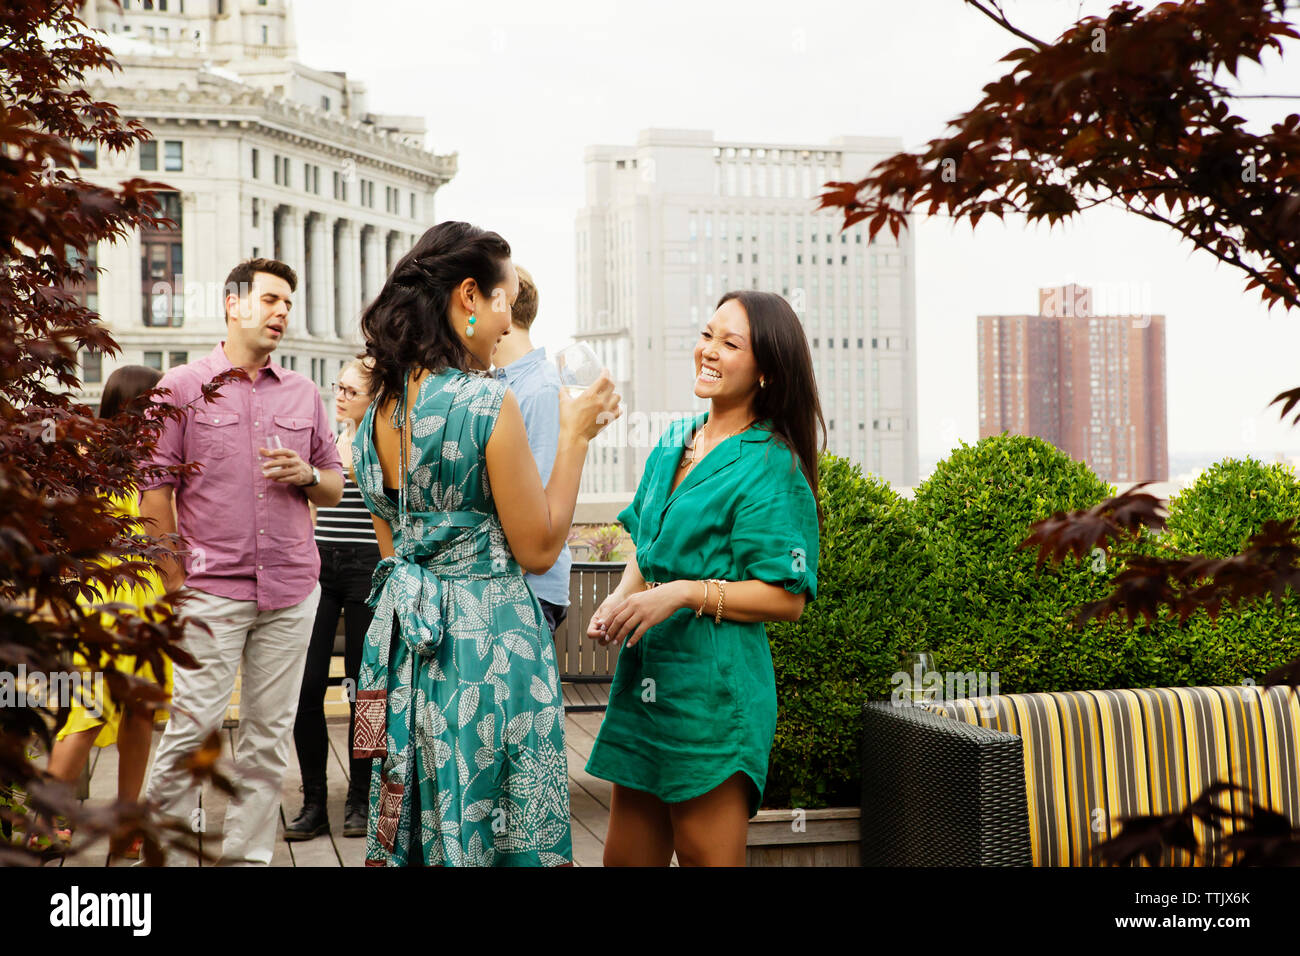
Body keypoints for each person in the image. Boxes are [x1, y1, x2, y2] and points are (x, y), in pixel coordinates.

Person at [352, 220, 619, 866]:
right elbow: (539, 547)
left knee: (421, 820)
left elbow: (396, 560)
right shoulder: (483, 404)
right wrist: (577, 435)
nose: (507, 323)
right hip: (491, 657)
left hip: (410, 661)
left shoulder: (376, 416)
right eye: (502, 300)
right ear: (467, 297)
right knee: (505, 835)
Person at [584, 290, 823, 867]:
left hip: (715, 695)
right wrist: (621, 598)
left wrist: (685, 593)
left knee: (705, 856)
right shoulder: (673, 442)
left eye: (730, 343)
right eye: (707, 334)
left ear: (766, 371)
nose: (708, 351)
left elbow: (785, 598)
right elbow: (648, 544)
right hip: (647, 682)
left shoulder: (772, 464)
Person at [138, 257, 344, 866]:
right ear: (233, 305)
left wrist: (307, 475)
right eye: (271, 300)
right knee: (190, 731)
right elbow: (154, 494)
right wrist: (174, 584)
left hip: (290, 591)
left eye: (288, 304)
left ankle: (248, 859)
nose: (282, 312)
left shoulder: (305, 393)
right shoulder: (180, 387)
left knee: (267, 739)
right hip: (210, 592)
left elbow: (333, 483)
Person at [40, 365, 173, 859]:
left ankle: (124, 824)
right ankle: (47, 820)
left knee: (138, 715)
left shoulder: (157, 460)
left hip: (145, 598)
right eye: (157, 403)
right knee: (89, 711)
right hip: (111, 600)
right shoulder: (98, 464)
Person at [286, 358, 379, 842]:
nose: (339, 395)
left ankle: (361, 799)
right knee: (306, 686)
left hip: (369, 567)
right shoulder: (323, 437)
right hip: (318, 564)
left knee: (367, 691)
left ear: (375, 395)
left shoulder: (390, 438)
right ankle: (314, 801)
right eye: (336, 387)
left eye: (350, 389)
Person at [490, 265, 572, 634]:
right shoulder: (498, 383)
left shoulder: (538, 387)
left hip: (525, 588)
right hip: (504, 584)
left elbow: (536, 504)